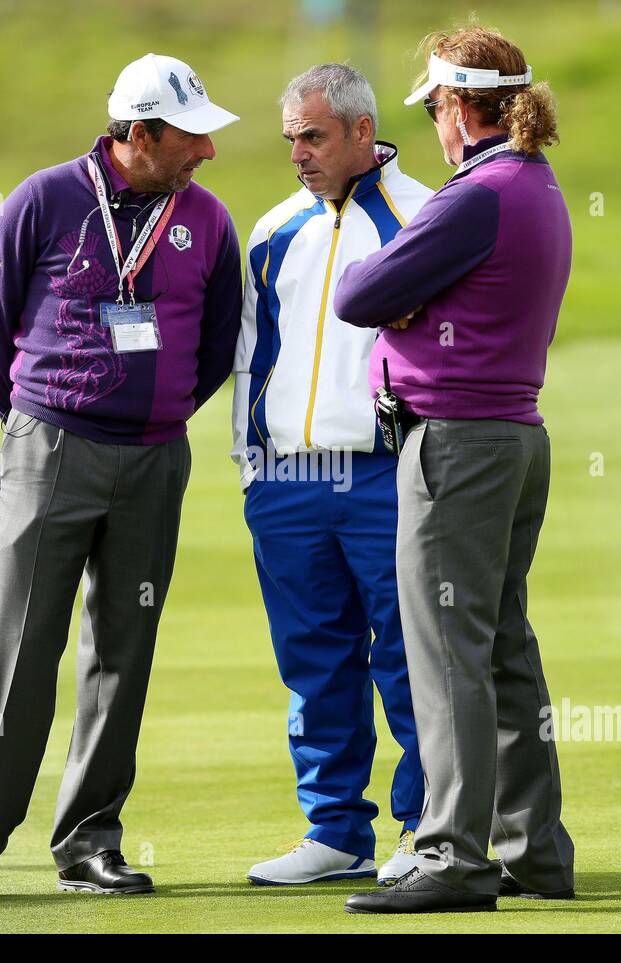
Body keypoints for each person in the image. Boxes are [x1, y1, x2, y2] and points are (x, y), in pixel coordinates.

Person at [0, 53, 242, 904]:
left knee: (122, 653)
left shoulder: (205, 220)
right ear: (141, 134)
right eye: (193, 136)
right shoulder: (43, 200)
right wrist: (40, 420)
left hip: (157, 457)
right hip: (52, 449)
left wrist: (154, 412)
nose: (207, 152)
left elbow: (215, 344)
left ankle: (90, 841)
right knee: (20, 646)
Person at [334, 26, 576, 914]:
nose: (433, 122)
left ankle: (453, 855)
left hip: (458, 446)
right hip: (514, 438)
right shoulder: (534, 182)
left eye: (434, 105)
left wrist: (404, 298)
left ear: (458, 105)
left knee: (445, 655)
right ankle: (533, 848)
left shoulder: (476, 193)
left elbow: (359, 295)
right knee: (501, 640)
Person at [232, 65, 435, 887]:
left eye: (312, 136)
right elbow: (255, 355)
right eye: (290, 139)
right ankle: (335, 829)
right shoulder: (274, 228)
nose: (298, 154)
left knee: (408, 659)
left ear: (360, 131)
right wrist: (254, 465)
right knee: (313, 657)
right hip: (287, 481)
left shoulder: (423, 217)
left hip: (385, 473)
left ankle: (427, 827)